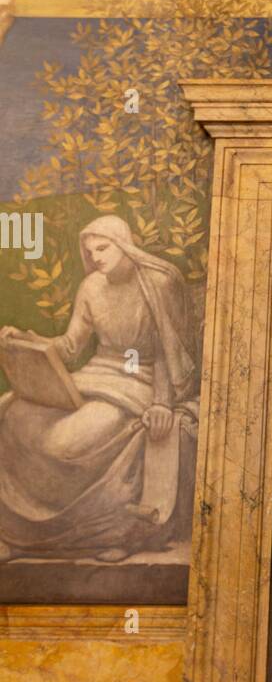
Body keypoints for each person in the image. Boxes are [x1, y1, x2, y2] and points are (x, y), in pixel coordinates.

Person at [0, 214, 198, 563]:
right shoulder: (91, 286)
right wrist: (27, 340)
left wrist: (162, 403)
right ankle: (19, 533)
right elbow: (72, 347)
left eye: (103, 248)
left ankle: (108, 530)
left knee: (66, 445)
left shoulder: (157, 281)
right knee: (13, 415)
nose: (96, 257)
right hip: (94, 376)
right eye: (91, 252)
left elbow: (168, 349)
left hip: (137, 381)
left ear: (124, 243)